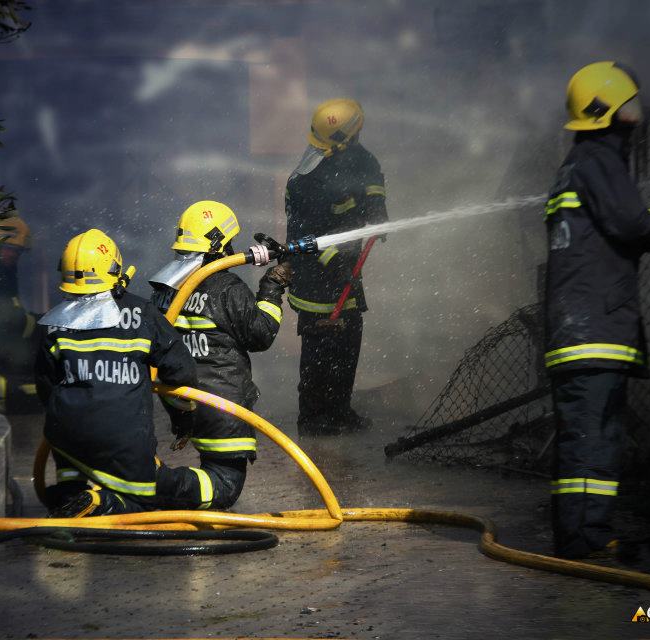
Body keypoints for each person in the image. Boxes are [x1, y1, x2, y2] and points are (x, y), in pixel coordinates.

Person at [544, 61, 650, 559]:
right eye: (629, 101)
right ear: (607, 111)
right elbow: (633, 226)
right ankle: (584, 539)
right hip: (593, 328)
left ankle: (585, 532)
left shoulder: (579, 165)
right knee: (590, 441)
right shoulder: (598, 162)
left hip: (583, 328)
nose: (638, 109)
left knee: (592, 438)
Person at [35, 229, 197, 517]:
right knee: (147, 500)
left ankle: (70, 495)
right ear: (114, 269)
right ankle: (100, 504)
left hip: (64, 436)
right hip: (122, 439)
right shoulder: (141, 313)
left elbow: (45, 385)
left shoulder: (52, 322)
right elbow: (181, 370)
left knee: (67, 428)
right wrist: (183, 415)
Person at [149, 200, 291, 510]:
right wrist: (272, 286)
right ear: (221, 244)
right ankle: (156, 483)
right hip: (222, 404)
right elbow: (260, 335)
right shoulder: (227, 288)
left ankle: (144, 482)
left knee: (212, 477)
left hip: (180, 400)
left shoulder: (164, 288)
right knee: (224, 487)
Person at [285, 98, 389, 436]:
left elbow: (371, 175)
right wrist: (336, 265)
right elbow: (304, 237)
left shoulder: (357, 156)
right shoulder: (305, 180)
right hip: (317, 277)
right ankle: (313, 419)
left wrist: (377, 207)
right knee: (319, 350)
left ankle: (340, 411)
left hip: (348, 269)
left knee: (348, 343)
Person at [0, 213, 41, 413]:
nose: (13, 255)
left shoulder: (8, 272)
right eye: (9, 249)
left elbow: (15, 309)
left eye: (18, 251)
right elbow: (5, 317)